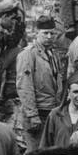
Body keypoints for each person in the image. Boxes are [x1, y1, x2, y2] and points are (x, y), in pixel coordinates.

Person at [16, 15, 66, 146]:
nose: (49, 36)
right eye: (45, 33)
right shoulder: (28, 55)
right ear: (36, 33)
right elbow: (24, 87)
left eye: (52, 33)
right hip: (38, 113)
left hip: (53, 111)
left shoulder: (54, 55)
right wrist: (32, 115)